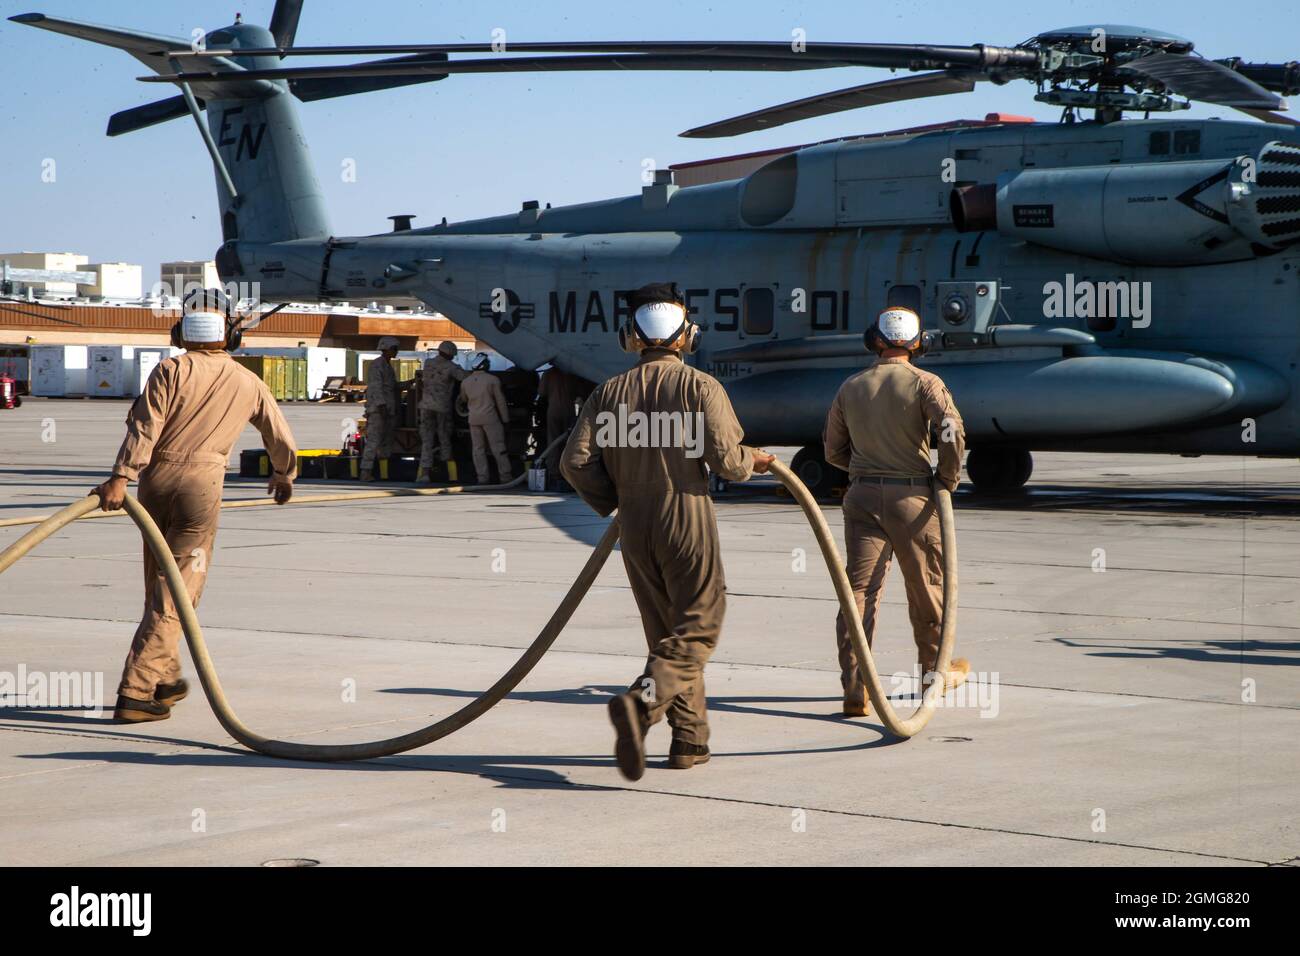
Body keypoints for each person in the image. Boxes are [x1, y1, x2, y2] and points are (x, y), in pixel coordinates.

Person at [562, 282, 774, 780]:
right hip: (687, 512)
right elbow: (727, 460)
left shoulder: (606, 393)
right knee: (699, 628)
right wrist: (755, 461)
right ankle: (642, 704)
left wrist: (615, 499)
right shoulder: (701, 387)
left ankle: (688, 741)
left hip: (634, 522)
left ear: (629, 338)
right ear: (688, 337)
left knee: (667, 637)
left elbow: (575, 463)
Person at [92, 290, 297, 723]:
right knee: (177, 593)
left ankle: (165, 679)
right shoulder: (248, 381)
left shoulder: (169, 369)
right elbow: (278, 434)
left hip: (155, 482)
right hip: (202, 485)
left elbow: (145, 427)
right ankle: (136, 692)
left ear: (180, 332)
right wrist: (283, 474)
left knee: (159, 585)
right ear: (231, 336)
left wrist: (121, 476)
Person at [822, 306, 969, 718]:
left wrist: (865, 471)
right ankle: (932, 675)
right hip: (915, 500)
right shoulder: (927, 383)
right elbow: (952, 431)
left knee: (859, 593)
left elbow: (833, 449)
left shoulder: (851, 386)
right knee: (926, 590)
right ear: (919, 342)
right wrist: (947, 478)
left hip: (863, 497)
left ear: (876, 340)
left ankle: (855, 688)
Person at [417, 340, 467, 482]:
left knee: (427, 441)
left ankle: (424, 474)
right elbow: (465, 378)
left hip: (425, 407)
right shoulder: (452, 367)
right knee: (445, 438)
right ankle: (450, 475)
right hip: (442, 408)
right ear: (451, 354)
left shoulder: (428, 363)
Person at [459, 352, 513, 483]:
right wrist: (506, 420)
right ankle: (505, 477)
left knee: (478, 450)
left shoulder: (465, 382)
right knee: (498, 447)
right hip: (490, 419)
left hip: (473, 419)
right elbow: (500, 401)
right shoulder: (493, 380)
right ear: (485, 365)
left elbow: (463, 399)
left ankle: (482, 478)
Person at [360, 337, 400, 481]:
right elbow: (376, 388)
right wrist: (381, 406)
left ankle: (382, 473)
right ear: (387, 349)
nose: (397, 351)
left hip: (388, 410)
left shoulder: (387, 366)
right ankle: (365, 472)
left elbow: (393, 386)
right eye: (394, 348)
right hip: (378, 410)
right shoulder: (378, 365)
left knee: (385, 443)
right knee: (374, 441)